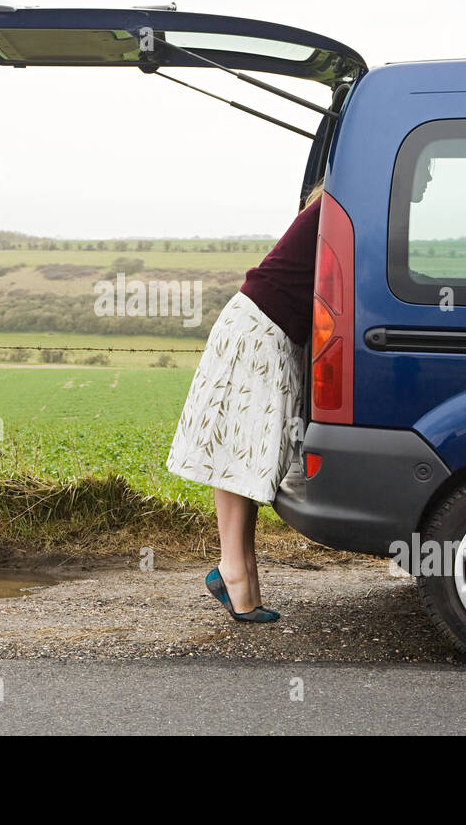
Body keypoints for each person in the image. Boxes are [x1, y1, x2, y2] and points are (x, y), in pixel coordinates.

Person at [166, 180, 324, 622]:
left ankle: (239, 571)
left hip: (263, 328)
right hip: (260, 331)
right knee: (241, 455)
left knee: (247, 457)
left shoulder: (334, 205)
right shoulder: (343, 204)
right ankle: (235, 572)